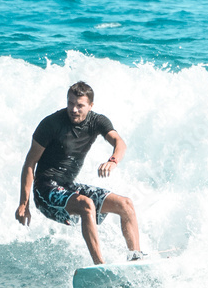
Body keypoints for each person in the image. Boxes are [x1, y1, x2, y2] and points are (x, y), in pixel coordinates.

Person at [15, 81, 143, 265]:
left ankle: (135, 258)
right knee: (86, 204)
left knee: (126, 204)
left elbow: (119, 142)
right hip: (45, 190)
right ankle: (100, 266)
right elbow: (29, 164)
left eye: (79, 105)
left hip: (68, 187)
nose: (74, 109)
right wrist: (23, 204)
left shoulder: (97, 121)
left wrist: (113, 160)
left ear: (91, 106)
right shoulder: (51, 124)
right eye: (70, 103)